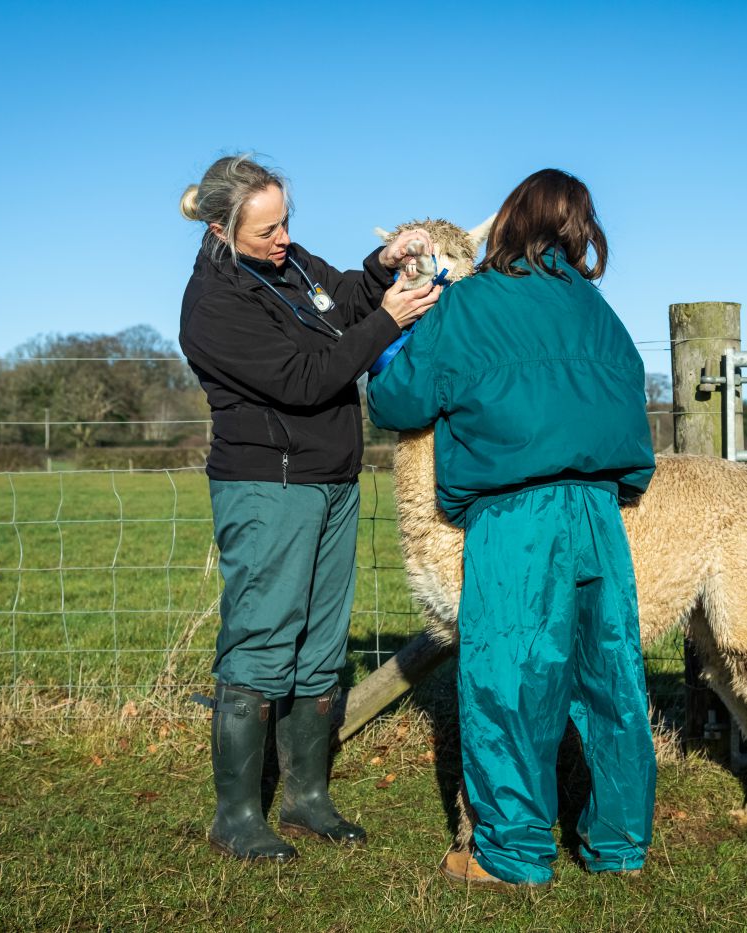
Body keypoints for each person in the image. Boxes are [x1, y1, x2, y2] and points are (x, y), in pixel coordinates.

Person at [366, 169, 657, 888]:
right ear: (578, 230)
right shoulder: (596, 311)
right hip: (597, 512)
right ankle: (619, 842)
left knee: (509, 678)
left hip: (514, 515)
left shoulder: (472, 306)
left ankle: (514, 852)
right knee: (608, 677)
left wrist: (394, 341)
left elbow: (400, 400)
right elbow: (629, 404)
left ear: (509, 224)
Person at [178, 154, 442, 862]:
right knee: (263, 640)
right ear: (219, 228)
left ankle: (306, 797)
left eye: (286, 219)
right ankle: (235, 814)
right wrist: (389, 321)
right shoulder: (214, 305)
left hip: (332, 480)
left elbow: (346, 299)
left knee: (322, 644)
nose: (283, 237)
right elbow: (306, 379)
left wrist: (383, 267)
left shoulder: (293, 264)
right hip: (270, 486)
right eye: (266, 229)